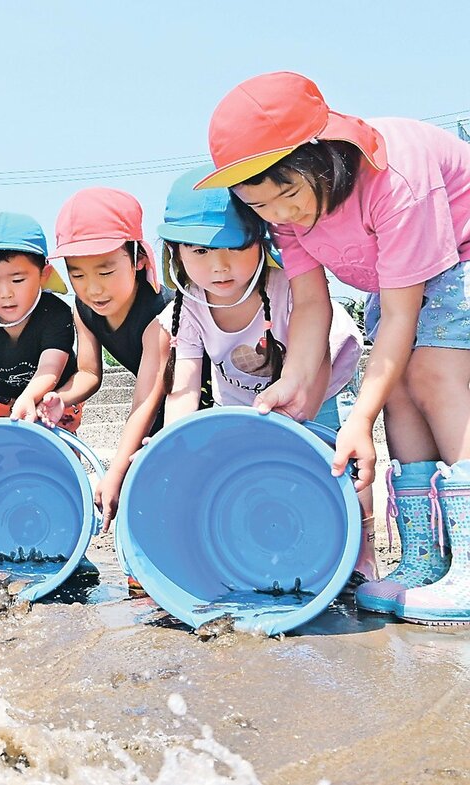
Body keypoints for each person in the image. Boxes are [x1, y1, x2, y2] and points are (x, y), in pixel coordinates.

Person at [199, 71, 470, 624]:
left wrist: (358, 419)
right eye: (260, 205)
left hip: (459, 260)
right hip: (394, 283)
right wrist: (293, 383)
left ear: (325, 157)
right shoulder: (284, 215)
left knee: (431, 374)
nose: (281, 215)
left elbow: (401, 315)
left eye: (289, 195)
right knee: (396, 393)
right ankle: (424, 560)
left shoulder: (394, 176)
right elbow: (311, 304)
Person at [157, 167, 375, 585]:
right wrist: (173, 446)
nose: (219, 267)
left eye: (236, 246)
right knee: (251, 478)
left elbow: (316, 361)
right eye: (199, 251)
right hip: (244, 402)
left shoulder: (287, 289)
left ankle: (362, 554)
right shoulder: (188, 306)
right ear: (175, 252)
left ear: (262, 239)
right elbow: (183, 389)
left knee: (340, 467)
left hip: (322, 390)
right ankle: (266, 561)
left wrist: (298, 421)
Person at [41, 188, 213, 527]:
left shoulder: (163, 314)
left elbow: (145, 401)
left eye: (105, 272)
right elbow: (89, 373)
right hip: (155, 414)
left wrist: (117, 470)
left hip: (196, 408)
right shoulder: (84, 309)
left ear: (139, 258)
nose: (93, 288)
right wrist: (60, 398)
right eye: (77, 274)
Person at [0, 212, 82, 432]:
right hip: (0, 397)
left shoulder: (55, 313)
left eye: (18, 280)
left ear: (44, 274)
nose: (5, 293)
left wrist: (30, 397)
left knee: (54, 441)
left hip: (53, 396)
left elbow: (50, 368)